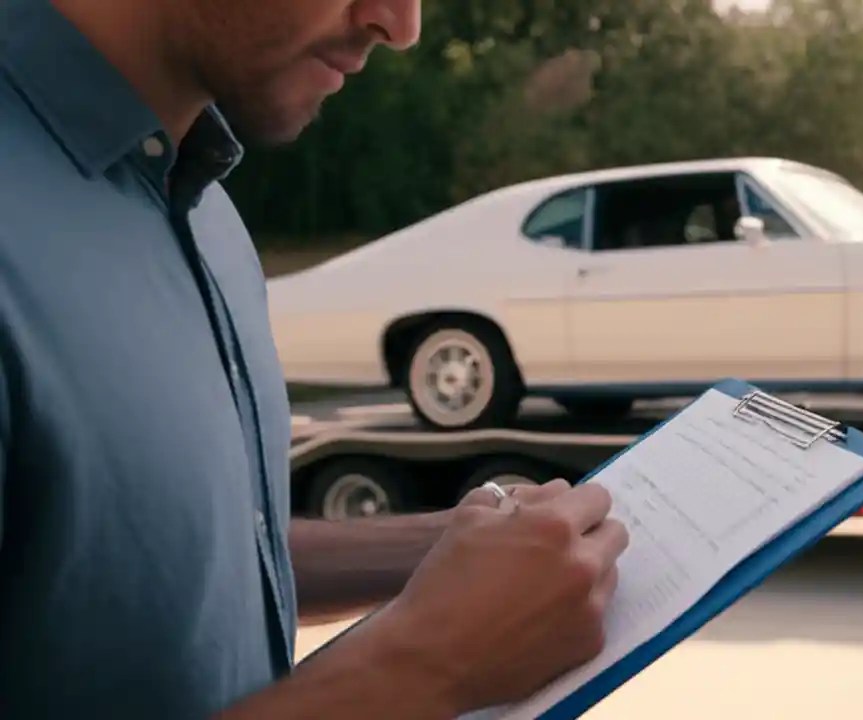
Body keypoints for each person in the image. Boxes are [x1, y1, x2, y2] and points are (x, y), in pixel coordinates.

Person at [0, 0, 629, 717]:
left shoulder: (203, 207)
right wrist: (425, 664)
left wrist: (451, 545)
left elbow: (166, 559)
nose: (402, 26)